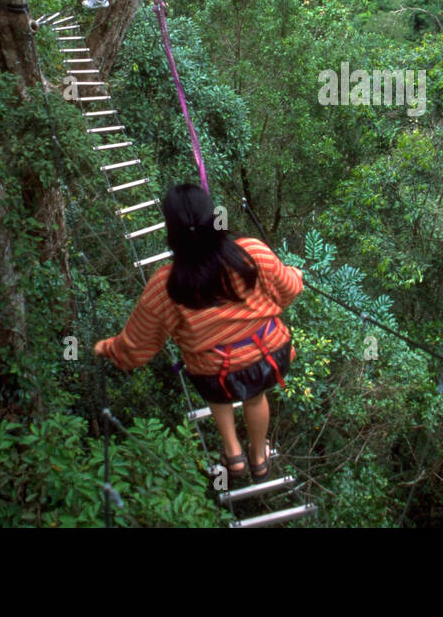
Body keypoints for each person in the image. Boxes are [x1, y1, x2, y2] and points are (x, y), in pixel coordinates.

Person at [93, 184, 303, 483]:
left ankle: (233, 455)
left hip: (213, 372)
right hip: (266, 357)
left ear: (172, 232)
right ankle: (259, 457)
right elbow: (288, 289)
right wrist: (297, 274)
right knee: (255, 398)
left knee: (219, 394)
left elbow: (137, 343)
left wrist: (107, 349)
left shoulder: (164, 286)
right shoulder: (252, 253)